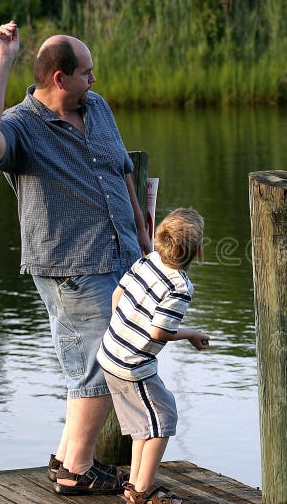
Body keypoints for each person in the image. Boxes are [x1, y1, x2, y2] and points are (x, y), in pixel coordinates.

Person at [0, 20, 152, 495]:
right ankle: (76, 471)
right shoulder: (21, 126)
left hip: (122, 255)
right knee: (105, 363)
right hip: (72, 267)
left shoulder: (98, 108)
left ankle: (67, 456)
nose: (95, 79)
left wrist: (145, 237)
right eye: (87, 72)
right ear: (60, 77)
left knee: (92, 362)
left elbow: (122, 170)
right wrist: (2, 60)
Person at [97, 208, 210, 504]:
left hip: (111, 351)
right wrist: (192, 333)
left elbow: (116, 297)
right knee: (164, 418)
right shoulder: (179, 286)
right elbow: (160, 332)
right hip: (133, 364)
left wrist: (124, 329)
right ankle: (143, 490)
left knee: (143, 424)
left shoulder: (147, 260)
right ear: (197, 252)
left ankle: (134, 484)